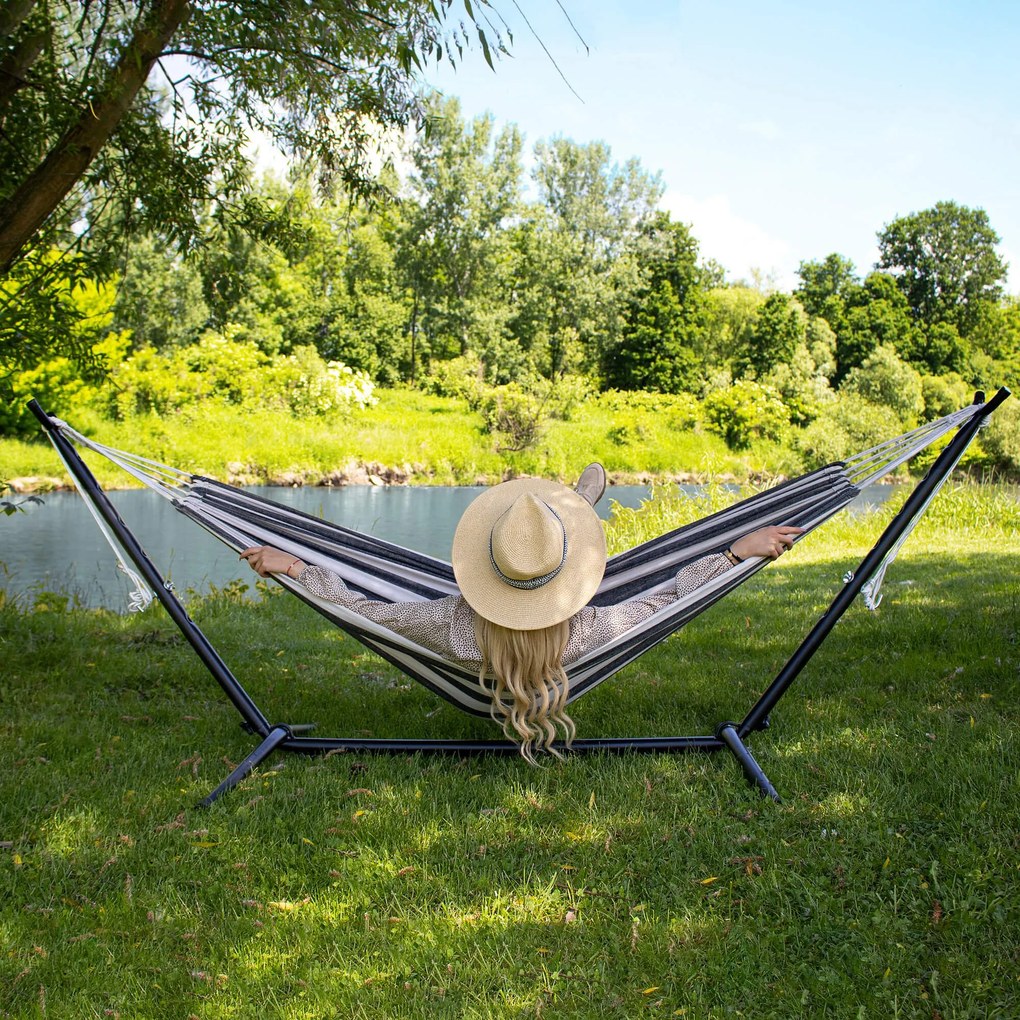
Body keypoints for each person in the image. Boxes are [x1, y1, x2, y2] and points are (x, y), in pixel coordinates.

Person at [241, 464, 803, 762]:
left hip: (482, 640)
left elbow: (364, 609)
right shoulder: (589, 628)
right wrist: (733, 553)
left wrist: (296, 567)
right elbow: (665, 598)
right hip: (563, 634)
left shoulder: (450, 624)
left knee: (532, 544)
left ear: (484, 575)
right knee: (604, 577)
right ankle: (573, 512)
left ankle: (568, 513)